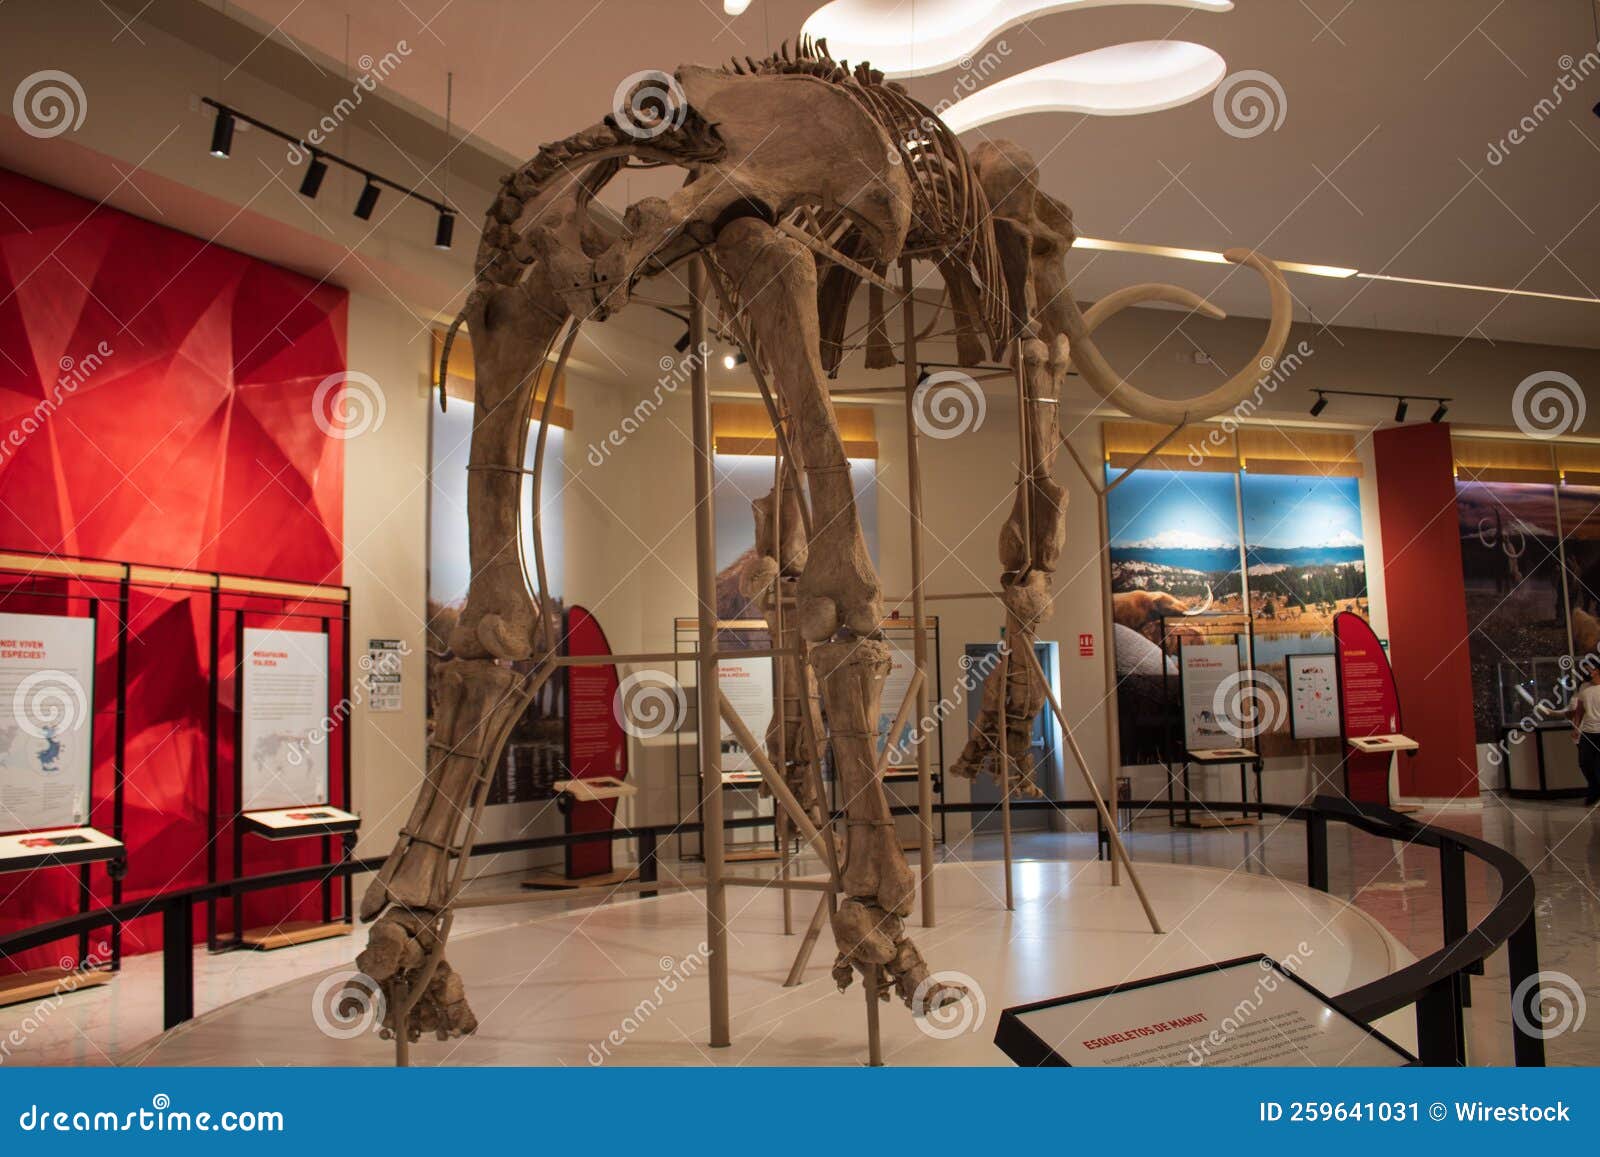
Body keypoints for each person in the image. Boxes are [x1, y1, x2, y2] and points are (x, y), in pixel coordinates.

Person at [1562, 663, 1600, 806]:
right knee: (1584, 763)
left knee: (1597, 765)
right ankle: (1595, 790)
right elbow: (1579, 711)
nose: (1589, 672)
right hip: (1588, 732)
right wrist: (1576, 728)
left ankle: (1595, 793)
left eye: (1592, 670)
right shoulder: (1584, 690)